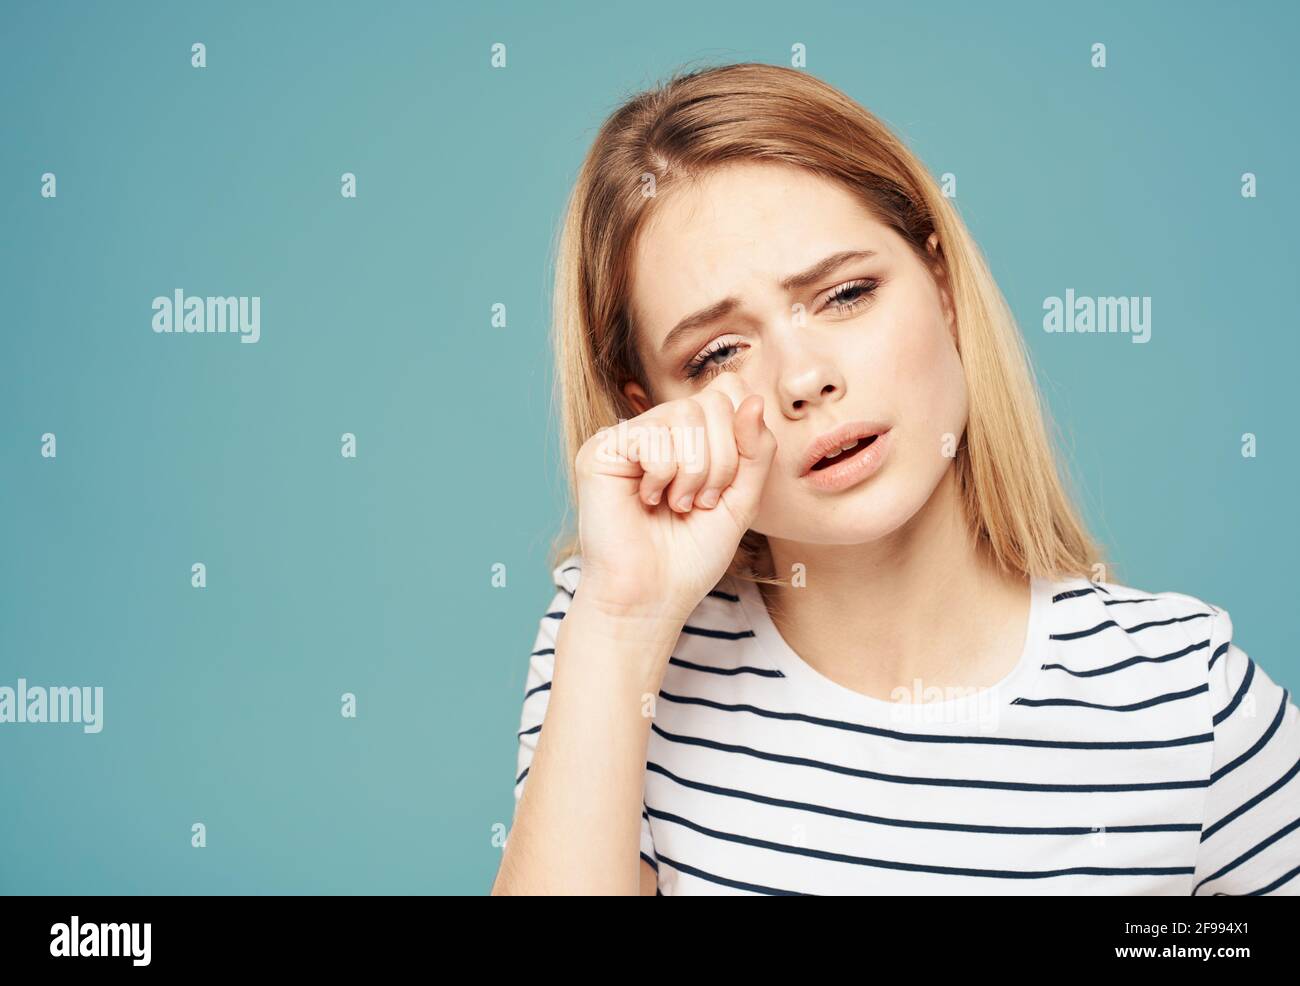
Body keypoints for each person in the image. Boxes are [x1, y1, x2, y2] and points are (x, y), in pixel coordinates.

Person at [491, 62, 1300, 895]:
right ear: (648, 413)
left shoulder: (1181, 700)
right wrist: (624, 623)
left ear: (942, 286)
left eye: (844, 294)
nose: (803, 378)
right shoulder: (609, 640)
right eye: (718, 352)